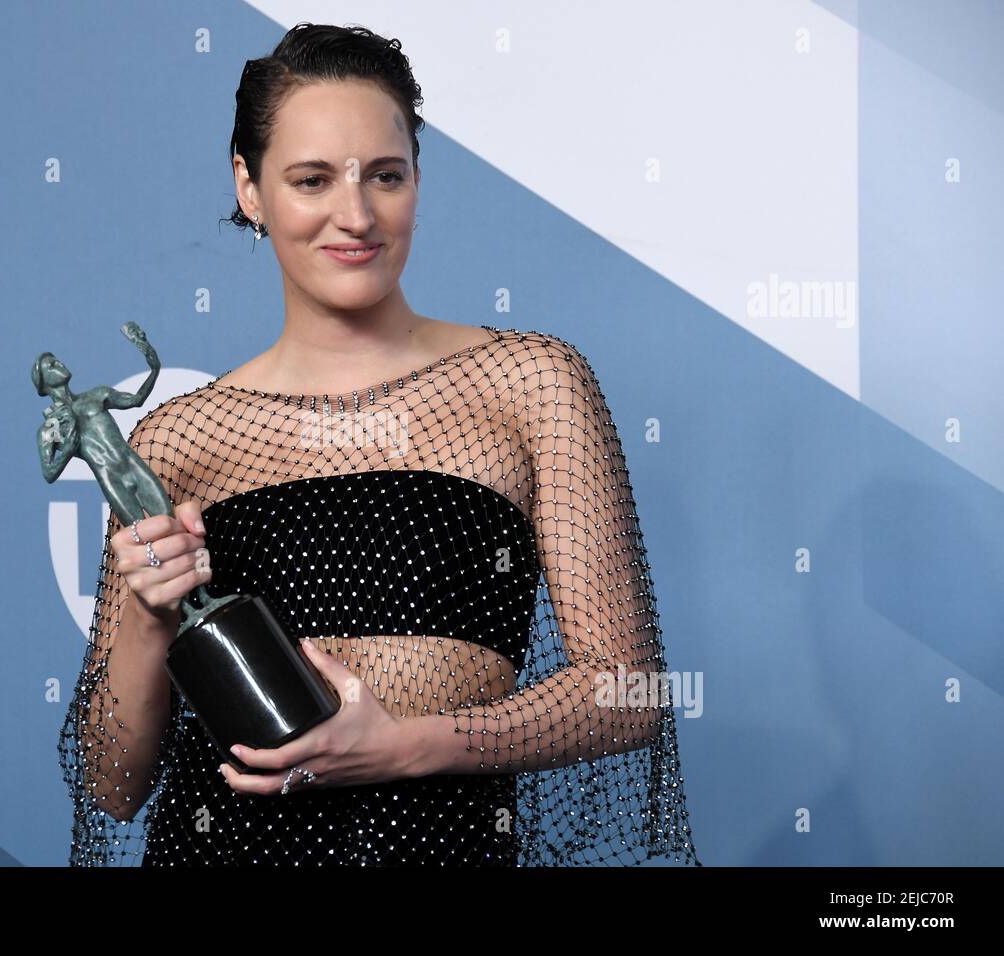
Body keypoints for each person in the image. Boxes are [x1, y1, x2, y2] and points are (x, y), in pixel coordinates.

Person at [59, 22, 700, 867]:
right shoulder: (176, 440)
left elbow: (628, 694)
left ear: (417, 183)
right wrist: (146, 620)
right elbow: (110, 782)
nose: (355, 215)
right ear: (250, 189)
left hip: (440, 844)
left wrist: (407, 746)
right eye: (312, 179)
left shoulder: (533, 383)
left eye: (385, 177)